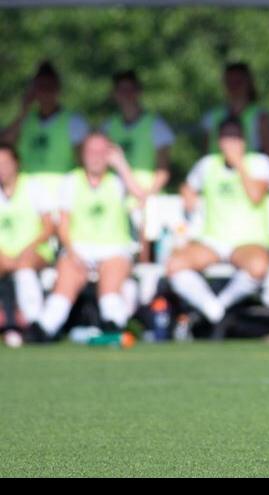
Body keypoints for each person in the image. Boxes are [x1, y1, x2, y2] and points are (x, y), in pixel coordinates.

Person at [27, 134, 143, 344]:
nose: (96, 157)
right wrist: (73, 253)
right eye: (91, 151)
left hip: (114, 248)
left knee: (110, 286)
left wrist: (121, 164)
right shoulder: (72, 181)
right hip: (78, 248)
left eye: (102, 152)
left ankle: (113, 324)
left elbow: (141, 196)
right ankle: (45, 327)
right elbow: (63, 225)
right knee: (65, 283)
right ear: (82, 154)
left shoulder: (118, 181)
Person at [166, 117, 269, 332]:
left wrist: (239, 165)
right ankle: (212, 309)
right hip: (213, 240)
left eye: (236, 138)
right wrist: (188, 196)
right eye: (227, 138)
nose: (231, 144)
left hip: (249, 240)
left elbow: (256, 195)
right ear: (219, 142)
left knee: (258, 267)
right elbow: (187, 186)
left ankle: (220, 305)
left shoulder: (259, 163)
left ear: (244, 141)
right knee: (175, 265)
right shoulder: (208, 164)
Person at [103, 70, 175, 262]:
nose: (126, 95)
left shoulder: (155, 125)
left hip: (147, 197)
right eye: (121, 90)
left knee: (146, 224)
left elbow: (163, 170)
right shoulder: (109, 127)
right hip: (117, 196)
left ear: (138, 92)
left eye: (130, 89)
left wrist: (147, 196)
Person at [1, 61, 89, 196]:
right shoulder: (25, 121)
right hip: (28, 192)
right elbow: (4, 145)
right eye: (41, 87)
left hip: (63, 192)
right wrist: (23, 111)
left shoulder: (74, 122)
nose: (45, 92)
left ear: (57, 89)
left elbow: (83, 160)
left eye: (49, 87)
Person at [0, 144, 55, 335]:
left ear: (16, 164)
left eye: (5, 163)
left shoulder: (33, 187)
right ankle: (8, 321)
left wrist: (27, 249)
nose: (2, 169)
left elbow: (49, 227)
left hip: (34, 251)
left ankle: (34, 323)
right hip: (4, 253)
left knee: (24, 265)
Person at [202, 62, 269, 164]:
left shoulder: (260, 118)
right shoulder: (212, 117)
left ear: (248, 83)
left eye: (238, 82)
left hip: (250, 172)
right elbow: (207, 153)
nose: (234, 86)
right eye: (230, 82)